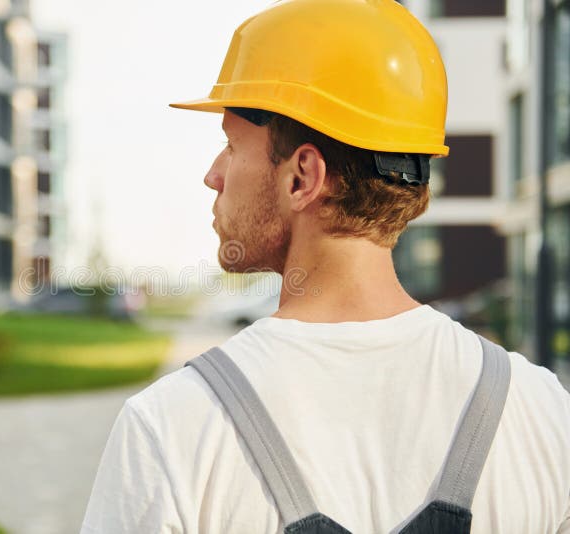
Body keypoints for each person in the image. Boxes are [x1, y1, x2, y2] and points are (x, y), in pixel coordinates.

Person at [81, 0, 570, 532]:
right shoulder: (541, 411)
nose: (213, 174)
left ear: (302, 176)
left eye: (230, 145)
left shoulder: (174, 429)